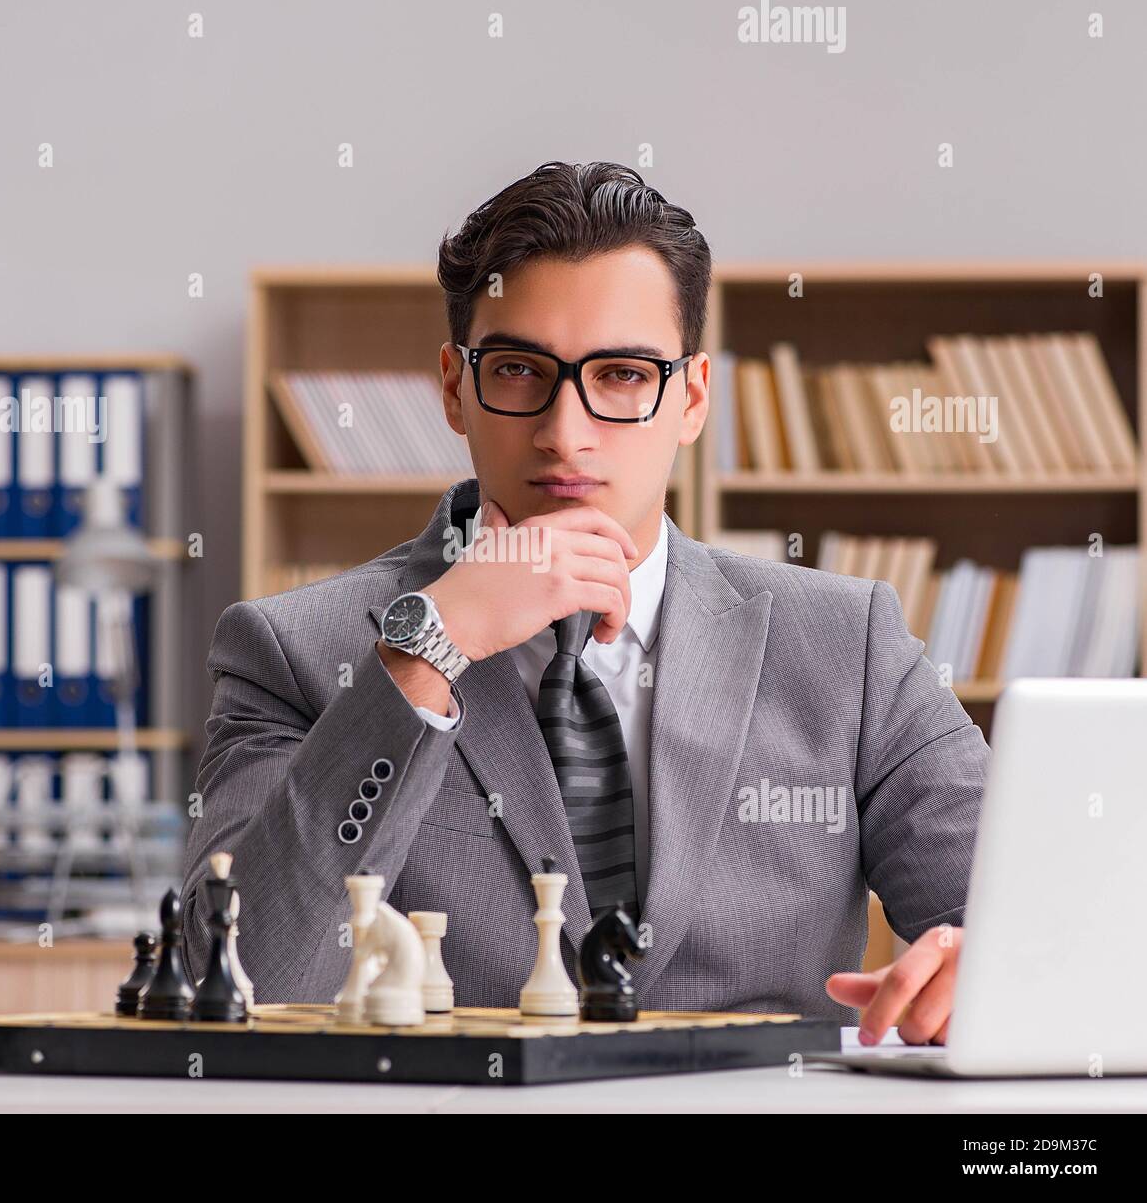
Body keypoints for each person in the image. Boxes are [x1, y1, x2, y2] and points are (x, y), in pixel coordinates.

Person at [183, 161, 989, 1045]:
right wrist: (430, 650)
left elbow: (1047, 935)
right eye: (522, 369)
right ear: (454, 388)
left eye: (622, 375)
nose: (566, 432)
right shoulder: (290, 652)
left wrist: (986, 962)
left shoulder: (847, 646)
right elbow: (233, 983)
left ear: (689, 398)